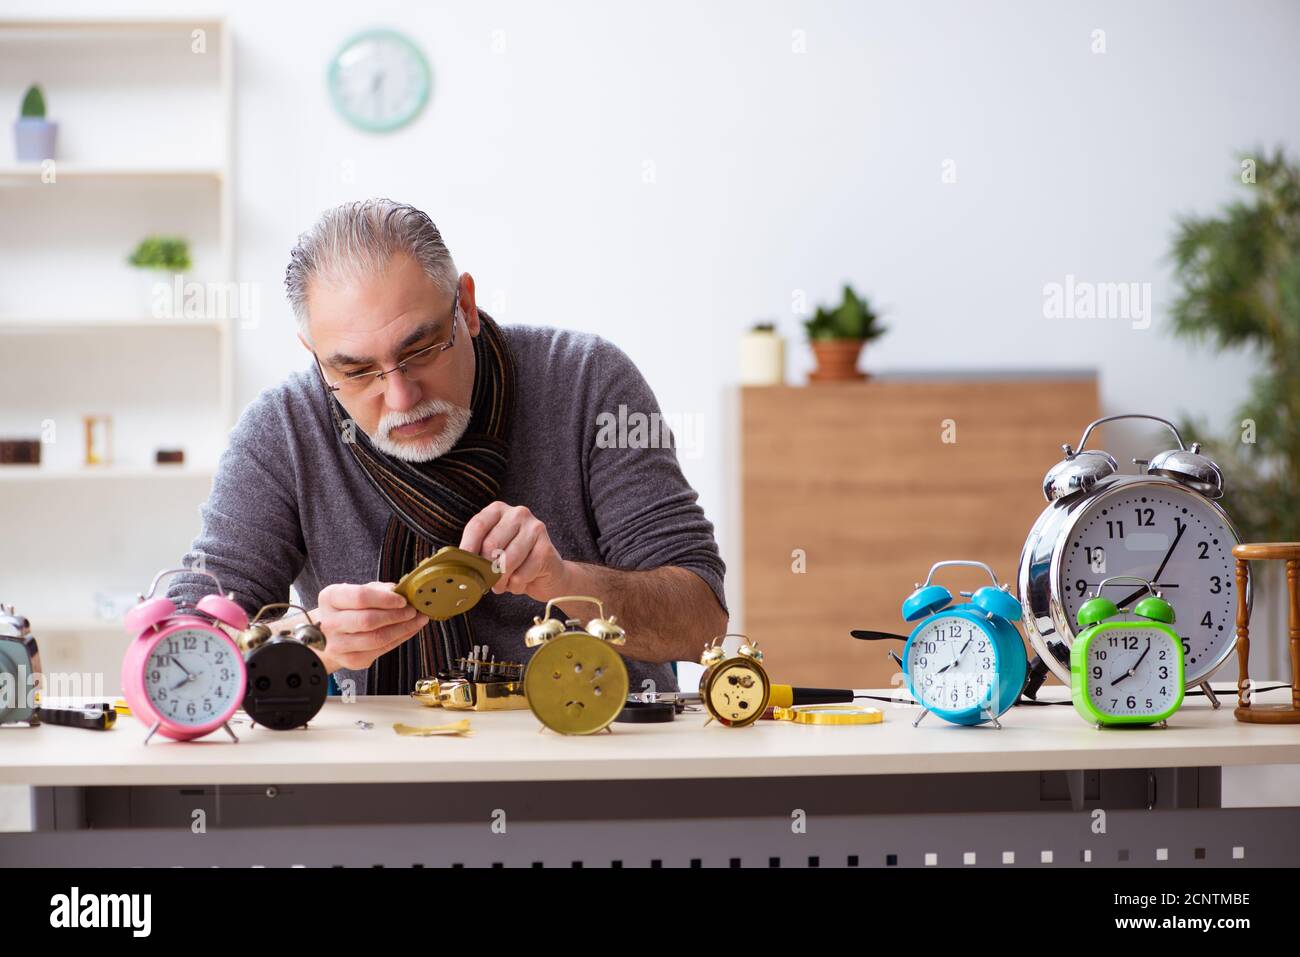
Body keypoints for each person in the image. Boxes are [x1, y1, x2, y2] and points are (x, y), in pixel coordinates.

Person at [169, 198, 727, 696]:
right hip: (373, 774)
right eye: (356, 371)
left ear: (465, 304)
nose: (401, 396)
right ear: (315, 355)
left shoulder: (588, 382)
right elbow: (179, 647)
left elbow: (701, 620)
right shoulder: (283, 431)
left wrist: (567, 583)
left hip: (590, 759)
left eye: (422, 350)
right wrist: (307, 643)